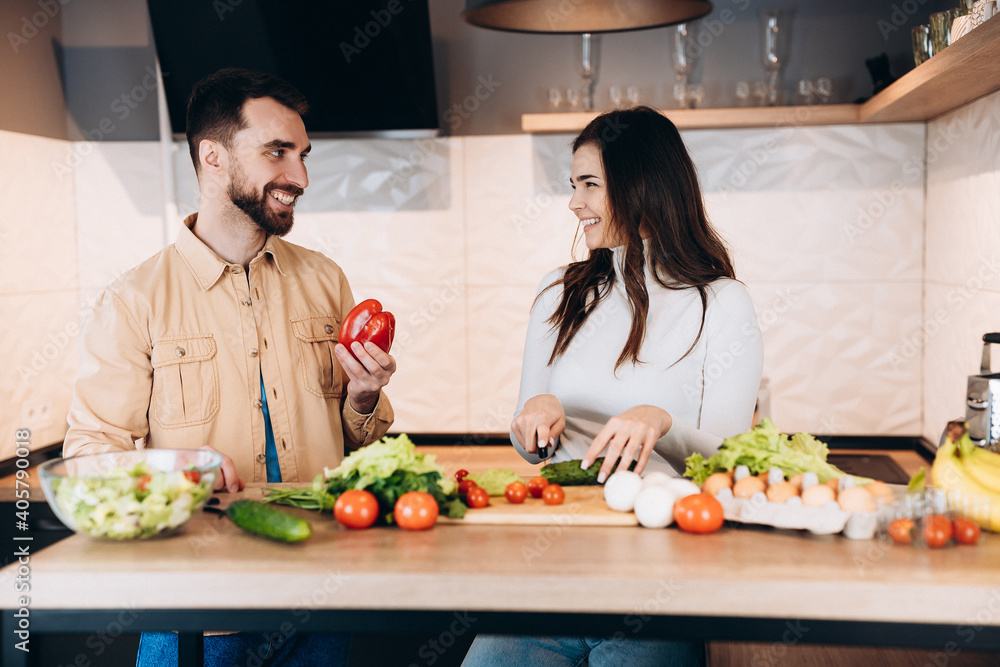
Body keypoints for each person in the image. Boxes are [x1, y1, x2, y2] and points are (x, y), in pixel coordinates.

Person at [63, 68, 396, 665]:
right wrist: (177, 471)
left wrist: (365, 398)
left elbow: (357, 441)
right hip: (195, 608)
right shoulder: (135, 299)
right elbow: (91, 452)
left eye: (302, 154)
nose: (299, 176)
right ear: (212, 157)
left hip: (320, 593)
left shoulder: (326, 281)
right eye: (277, 152)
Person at [462, 107, 763, 666]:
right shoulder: (558, 292)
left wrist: (662, 423)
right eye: (573, 185)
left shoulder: (720, 303)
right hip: (555, 565)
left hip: (661, 573)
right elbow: (527, 445)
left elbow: (731, 460)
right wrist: (538, 411)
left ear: (641, 184)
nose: (574, 203)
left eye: (590, 185)